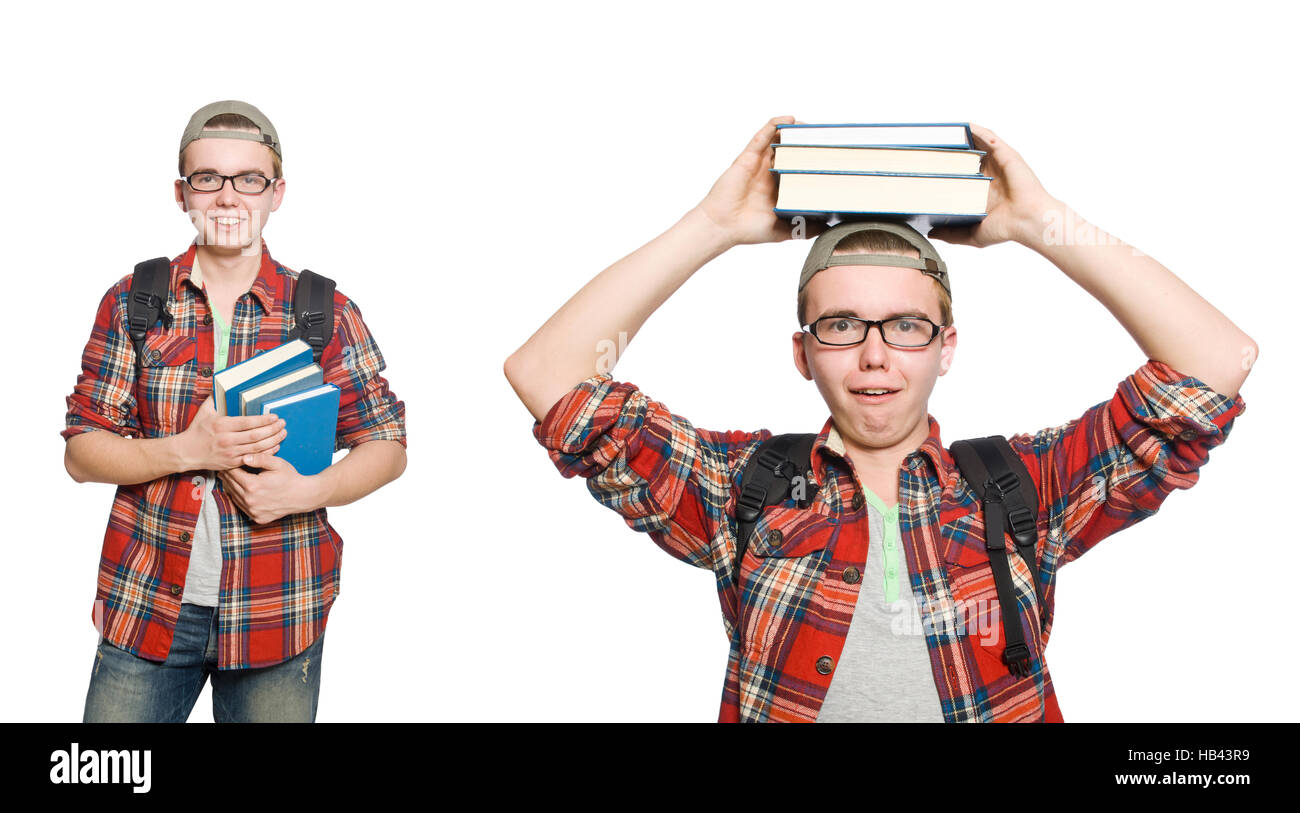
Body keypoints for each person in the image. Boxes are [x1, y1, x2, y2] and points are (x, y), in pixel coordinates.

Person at [504, 116, 1254, 722]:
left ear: (944, 347)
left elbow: (1215, 363)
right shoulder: (742, 490)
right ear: (803, 351)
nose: (873, 356)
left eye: (905, 326)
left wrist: (1042, 222)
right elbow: (548, 374)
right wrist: (712, 225)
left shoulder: (1024, 486)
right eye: (841, 325)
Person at [63, 100, 407, 722]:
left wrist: (306, 492)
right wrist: (184, 451)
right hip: (145, 605)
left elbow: (387, 444)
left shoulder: (322, 310)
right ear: (182, 193)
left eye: (248, 179)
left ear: (277, 193)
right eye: (207, 179)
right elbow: (82, 453)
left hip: (280, 605)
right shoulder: (134, 300)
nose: (227, 197)